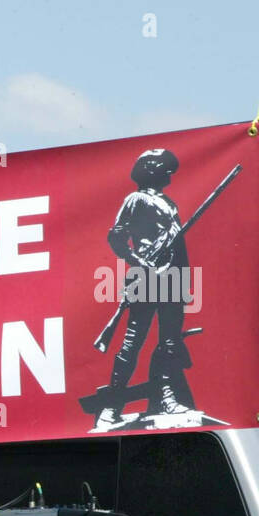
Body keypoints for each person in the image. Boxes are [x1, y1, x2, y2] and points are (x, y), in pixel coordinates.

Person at [96, 148, 194, 430]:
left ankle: (165, 396)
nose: (169, 173)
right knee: (133, 341)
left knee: (170, 342)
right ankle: (113, 405)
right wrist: (141, 263)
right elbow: (116, 238)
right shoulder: (136, 199)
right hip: (146, 276)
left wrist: (182, 281)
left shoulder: (170, 203)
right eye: (164, 168)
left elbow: (179, 246)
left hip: (172, 279)